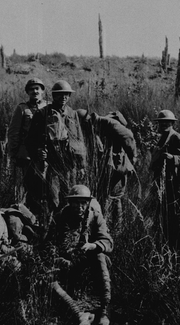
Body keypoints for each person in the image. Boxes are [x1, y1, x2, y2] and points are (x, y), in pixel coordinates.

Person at [47, 185, 114, 325]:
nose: (79, 206)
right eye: (75, 202)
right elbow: (50, 243)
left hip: (87, 258)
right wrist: (58, 257)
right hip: (67, 261)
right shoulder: (60, 217)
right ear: (69, 203)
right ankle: (73, 310)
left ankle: (104, 308)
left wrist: (93, 245)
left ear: (88, 203)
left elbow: (108, 242)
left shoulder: (95, 216)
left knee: (100, 257)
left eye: (83, 202)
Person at [25, 80, 88, 217]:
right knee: (52, 198)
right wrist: (38, 152)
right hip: (51, 164)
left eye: (66, 94)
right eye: (60, 94)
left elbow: (79, 140)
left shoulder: (72, 113)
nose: (64, 97)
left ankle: (66, 227)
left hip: (70, 164)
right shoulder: (42, 114)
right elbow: (30, 140)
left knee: (69, 196)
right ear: (53, 96)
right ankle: (51, 226)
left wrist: (82, 165)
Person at [150, 110, 180, 250]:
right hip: (161, 180)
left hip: (173, 182)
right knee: (161, 213)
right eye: (161, 122)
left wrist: (173, 158)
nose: (163, 124)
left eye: (167, 122)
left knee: (174, 215)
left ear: (172, 123)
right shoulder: (161, 138)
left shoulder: (177, 138)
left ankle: (175, 246)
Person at [90, 110, 138, 220]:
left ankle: (113, 225)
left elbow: (128, 136)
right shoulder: (101, 124)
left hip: (116, 165)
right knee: (110, 195)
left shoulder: (109, 123)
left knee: (112, 196)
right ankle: (109, 223)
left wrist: (133, 156)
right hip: (110, 165)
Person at [7, 78, 47, 186]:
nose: (35, 91)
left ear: (42, 91)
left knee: (47, 185)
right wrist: (14, 153)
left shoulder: (49, 107)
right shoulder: (22, 109)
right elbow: (13, 133)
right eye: (31, 89)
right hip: (27, 153)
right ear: (28, 92)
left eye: (37, 89)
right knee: (29, 184)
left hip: (45, 153)